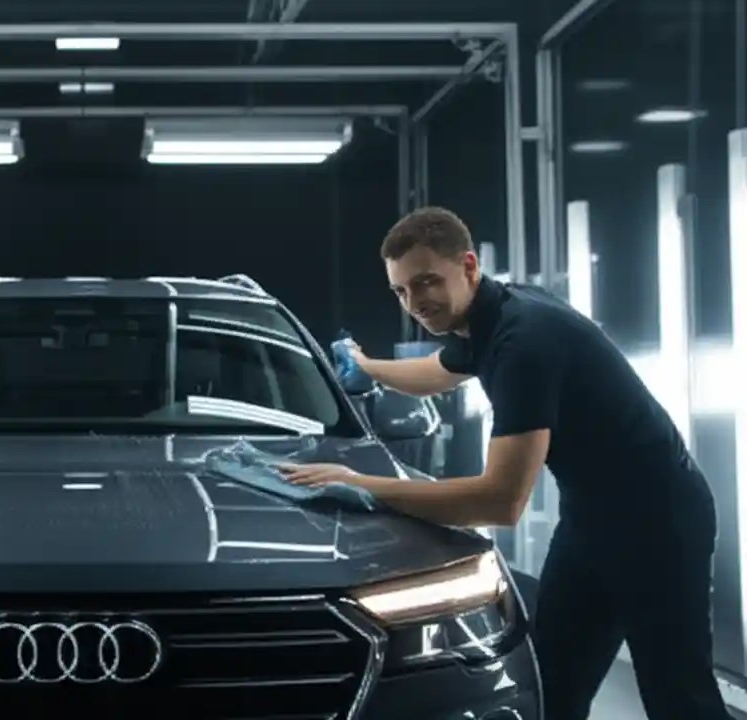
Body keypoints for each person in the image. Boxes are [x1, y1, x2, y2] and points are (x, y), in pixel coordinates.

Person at [280, 207, 733, 720]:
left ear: (468, 265)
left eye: (427, 282)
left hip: (660, 524)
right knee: (552, 685)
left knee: (679, 699)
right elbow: (437, 372)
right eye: (401, 291)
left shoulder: (524, 343)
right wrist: (367, 369)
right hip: (592, 522)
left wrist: (363, 485)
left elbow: (499, 500)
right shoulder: (493, 313)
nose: (416, 303)